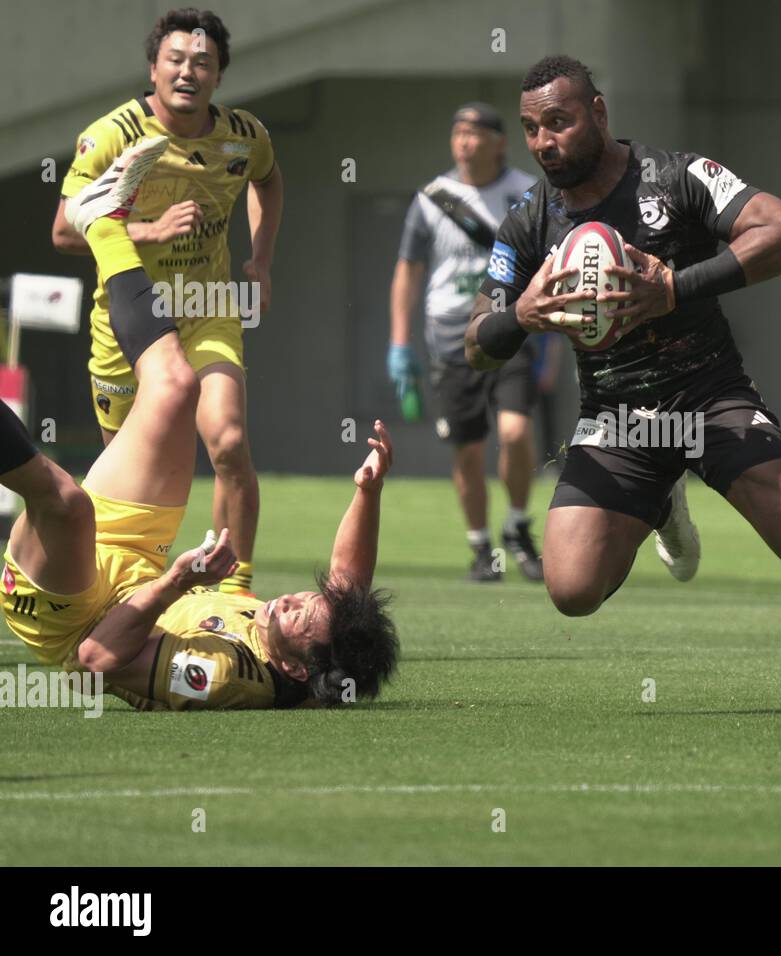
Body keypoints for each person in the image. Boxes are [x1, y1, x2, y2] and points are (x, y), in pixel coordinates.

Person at [465, 55, 781, 714]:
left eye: (557, 123)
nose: (543, 143)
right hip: (618, 419)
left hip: (709, 395)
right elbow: (475, 343)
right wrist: (520, 317)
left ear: (597, 111)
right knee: (572, 590)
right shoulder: (529, 221)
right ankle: (659, 499)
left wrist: (675, 288)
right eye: (531, 128)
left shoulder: (676, 176)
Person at [5, 135, 397, 711]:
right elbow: (347, 587)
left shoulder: (225, 674)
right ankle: (105, 222)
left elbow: (94, 664)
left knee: (66, 502)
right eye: (298, 599)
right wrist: (369, 493)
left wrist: (178, 583)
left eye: (295, 618)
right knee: (176, 385)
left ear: (292, 666)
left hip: (69, 615)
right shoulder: (321, 648)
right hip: (132, 558)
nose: (285, 601)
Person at [50, 8, 282, 597]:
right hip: (129, 319)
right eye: (176, 60)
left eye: (202, 63)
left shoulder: (244, 135)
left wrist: (261, 258)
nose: (188, 72)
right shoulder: (112, 136)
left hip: (206, 306)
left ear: (220, 75)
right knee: (130, 479)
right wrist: (149, 230)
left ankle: (236, 591)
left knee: (228, 442)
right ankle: (124, 598)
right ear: (153, 68)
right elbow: (63, 232)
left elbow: (268, 178)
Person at [388, 103, 543, 582]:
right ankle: (481, 547)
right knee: (469, 450)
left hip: (510, 326)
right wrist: (400, 344)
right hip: (450, 339)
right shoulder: (433, 197)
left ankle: (517, 523)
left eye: (476, 133)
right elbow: (409, 270)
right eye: (458, 133)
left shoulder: (526, 193)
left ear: (500, 142)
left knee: (515, 432)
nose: (465, 142)